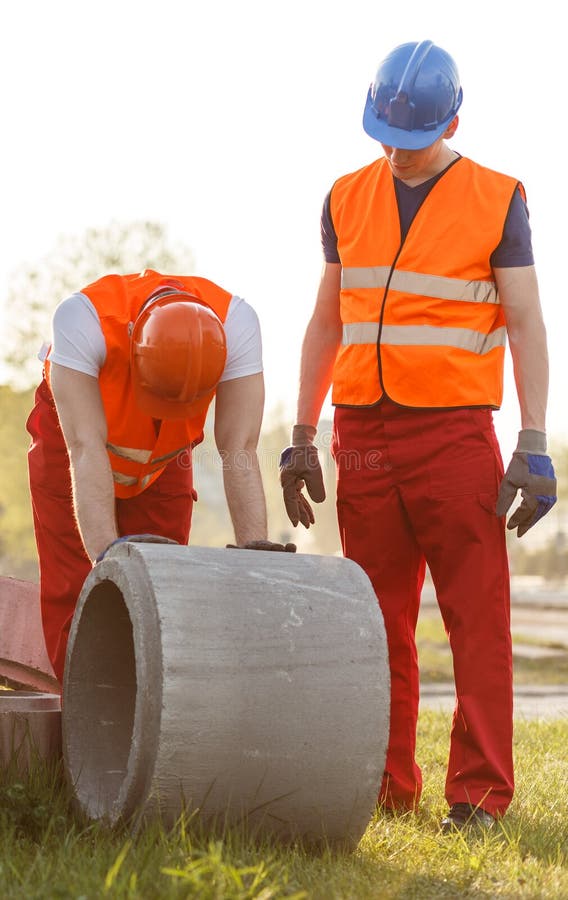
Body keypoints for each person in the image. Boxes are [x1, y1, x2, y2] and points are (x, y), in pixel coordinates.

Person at [280, 41, 557, 831]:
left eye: (412, 138)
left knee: (477, 619)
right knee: (376, 622)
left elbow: (528, 321)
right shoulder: (344, 196)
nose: (396, 152)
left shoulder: (497, 197)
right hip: (362, 433)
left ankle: (477, 799)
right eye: (385, 136)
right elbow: (326, 319)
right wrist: (303, 429)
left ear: (453, 121)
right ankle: (385, 785)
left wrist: (533, 439)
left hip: (455, 437)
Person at [28, 268, 293, 685]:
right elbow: (85, 447)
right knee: (79, 590)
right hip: (74, 441)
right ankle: (88, 730)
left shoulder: (237, 325)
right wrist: (108, 559)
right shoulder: (82, 322)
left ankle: (155, 722)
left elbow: (238, 449)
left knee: (164, 589)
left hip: (167, 455)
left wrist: (253, 553)